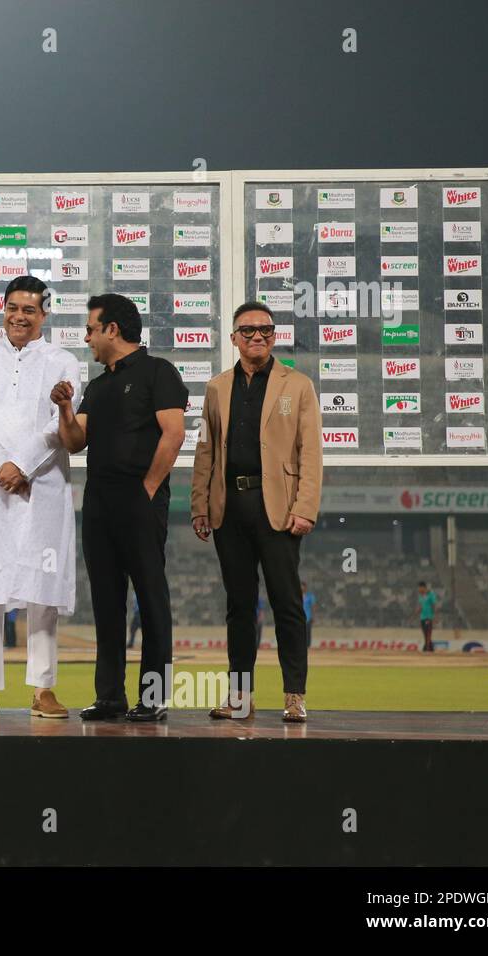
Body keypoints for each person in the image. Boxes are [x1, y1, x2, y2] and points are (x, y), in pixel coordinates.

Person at [53, 294, 186, 722]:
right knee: (107, 601)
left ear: (112, 329)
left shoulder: (158, 371)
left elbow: (174, 433)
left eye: (91, 328)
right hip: (98, 501)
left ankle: (154, 696)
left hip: (139, 496)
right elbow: (75, 441)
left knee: (151, 597)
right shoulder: (98, 384)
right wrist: (65, 409)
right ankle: (110, 696)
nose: (87, 337)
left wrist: (148, 488)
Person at [191, 301, 323, 723]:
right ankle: (240, 697)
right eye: (247, 331)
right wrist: (200, 506)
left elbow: (312, 452)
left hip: (280, 508)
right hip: (229, 506)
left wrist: (305, 507)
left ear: (275, 335)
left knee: (287, 603)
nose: (257, 337)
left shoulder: (298, 384)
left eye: (265, 329)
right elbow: (206, 450)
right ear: (233, 339)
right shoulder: (216, 387)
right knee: (239, 606)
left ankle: (295, 695)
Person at [0, 276, 80, 719]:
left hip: (42, 488)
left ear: (44, 314)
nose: (20, 316)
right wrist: (3, 469)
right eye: (13, 307)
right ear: (2, 309)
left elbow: (58, 427)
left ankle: (43, 687)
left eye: (29, 309)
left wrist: (23, 467)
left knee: (41, 587)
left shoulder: (63, 361)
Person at [418, 581, 437, 652]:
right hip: (422, 617)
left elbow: (434, 605)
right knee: (425, 633)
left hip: (429, 617)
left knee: (428, 632)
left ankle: (427, 648)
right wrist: (415, 614)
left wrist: (435, 616)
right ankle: (430, 647)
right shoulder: (420, 596)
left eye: (419, 588)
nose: (419, 590)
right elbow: (420, 606)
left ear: (423, 587)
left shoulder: (431, 594)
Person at [302, 581, 316, 648]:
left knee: (307, 632)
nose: (302, 588)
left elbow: (313, 606)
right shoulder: (296, 596)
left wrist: (313, 616)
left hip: (308, 617)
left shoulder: (310, 596)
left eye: (303, 587)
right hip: (299, 617)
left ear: (306, 588)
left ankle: (308, 646)